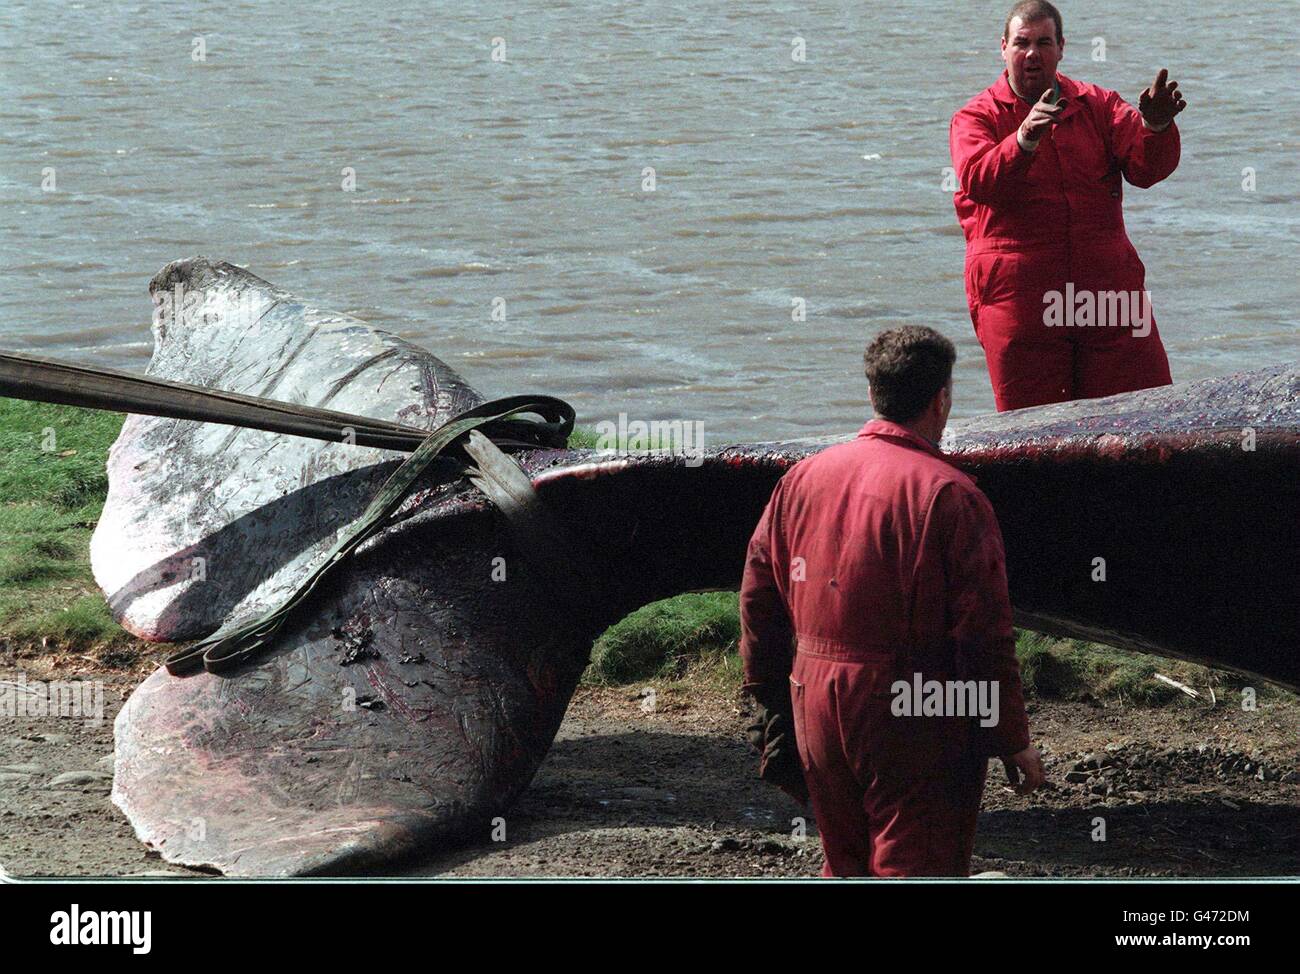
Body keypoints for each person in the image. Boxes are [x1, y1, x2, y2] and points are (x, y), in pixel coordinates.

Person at [740, 326, 1044, 877]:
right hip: (914, 709)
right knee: (918, 866)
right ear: (942, 399)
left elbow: (759, 599)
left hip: (815, 698)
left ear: (873, 394)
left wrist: (768, 699)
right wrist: (1010, 738)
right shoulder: (952, 496)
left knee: (846, 866)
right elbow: (983, 636)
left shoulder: (800, 480)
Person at [950, 0, 1187, 411]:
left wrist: (1157, 126)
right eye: (1022, 43)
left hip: (1106, 293)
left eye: (1044, 42)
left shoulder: (1097, 105)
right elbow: (979, 180)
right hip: (1020, 299)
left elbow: (1146, 169)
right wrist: (1023, 139)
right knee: (1032, 431)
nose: (1032, 53)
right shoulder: (976, 117)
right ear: (1002, 47)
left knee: (1147, 412)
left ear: (1061, 48)